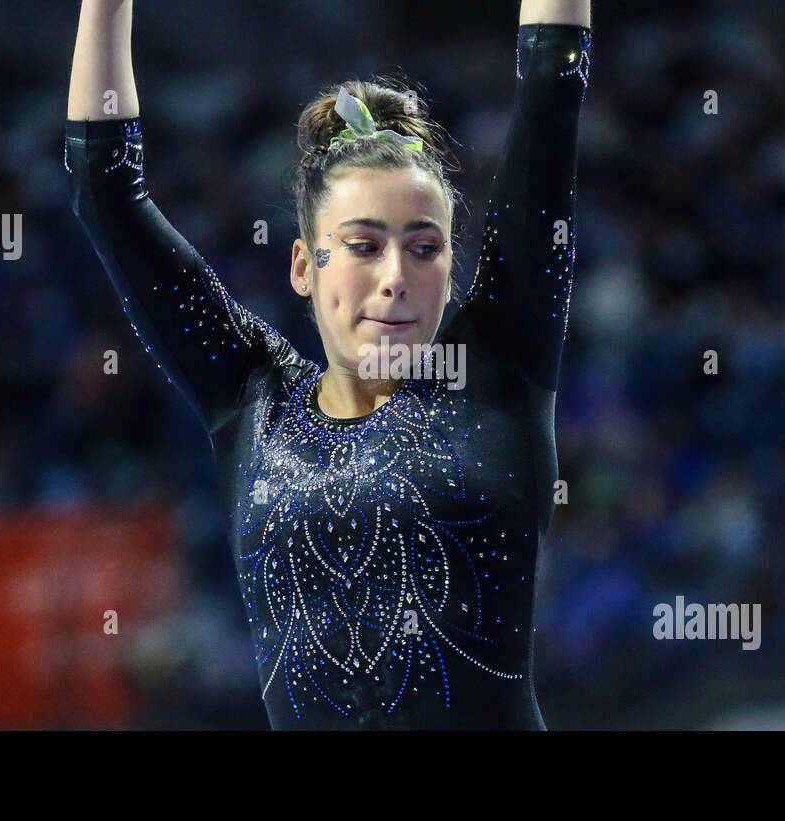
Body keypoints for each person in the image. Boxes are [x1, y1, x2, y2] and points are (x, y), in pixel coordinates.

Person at [66, 0, 592, 729]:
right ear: (303, 266)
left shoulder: (497, 370)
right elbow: (105, 192)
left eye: (425, 246)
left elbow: (550, 86)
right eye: (364, 244)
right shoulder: (251, 398)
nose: (396, 276)